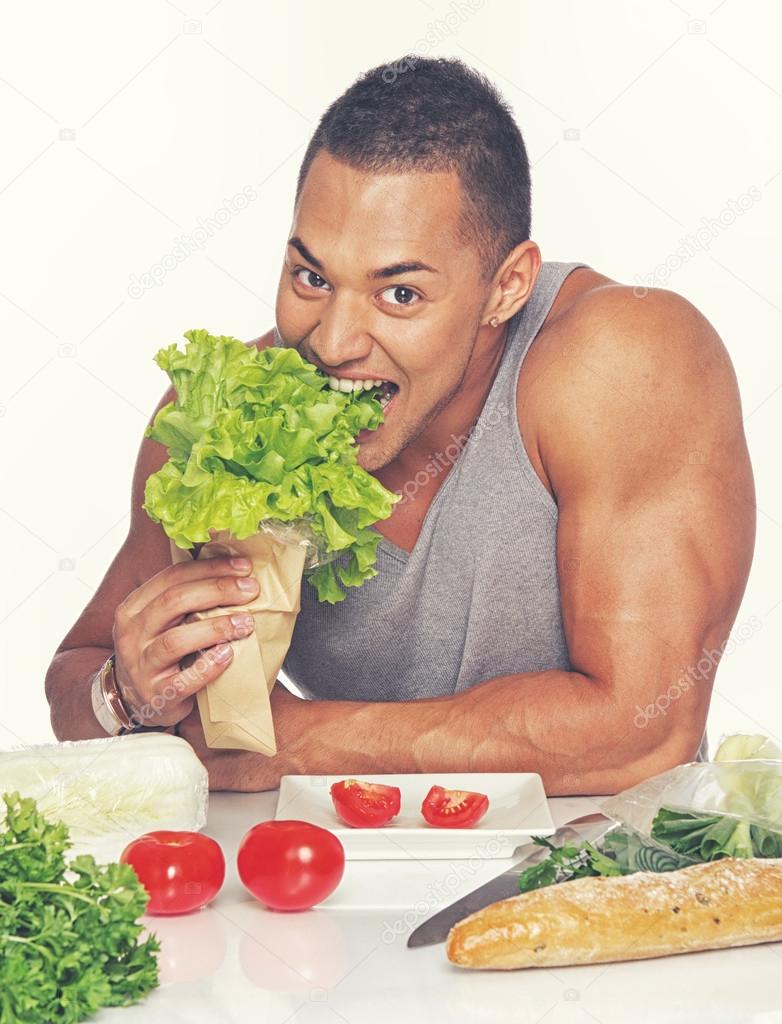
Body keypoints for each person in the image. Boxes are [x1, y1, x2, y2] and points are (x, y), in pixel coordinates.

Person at [45, 57, 755, 795]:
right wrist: (124, 696)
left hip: (594, 884)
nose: (332, 342)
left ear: (506, 286)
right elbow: (77, 681)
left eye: (401, 293)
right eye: (313, 278)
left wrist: (296, 744)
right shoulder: (229, 416)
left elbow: (642, 733)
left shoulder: (625, 359)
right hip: (324, 881)